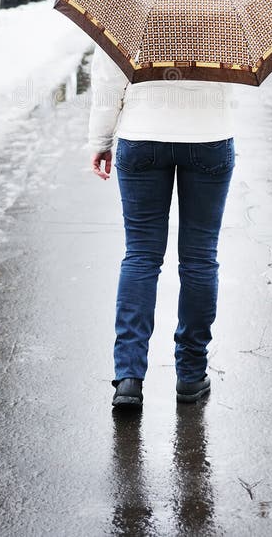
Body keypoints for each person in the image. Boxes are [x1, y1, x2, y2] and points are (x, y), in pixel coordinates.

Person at [86, 44, 236, 410]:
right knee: (200, 259)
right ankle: (190, 373)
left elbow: (109, 74)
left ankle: (129, 377)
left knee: (140, 256)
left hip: (143, 133)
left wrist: (100, 140)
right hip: (209, 134)